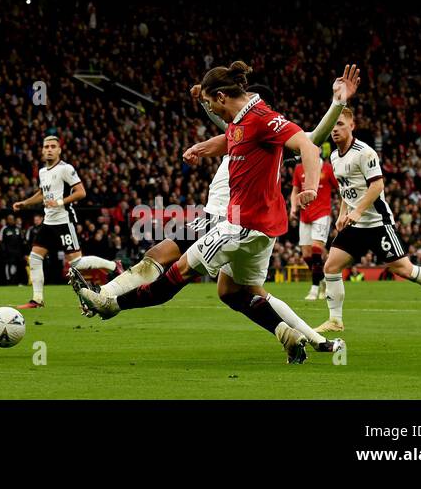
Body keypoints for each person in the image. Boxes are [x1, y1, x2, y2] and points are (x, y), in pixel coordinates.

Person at [74, 61, 347, 364]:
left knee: (179, 271)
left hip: (239, 224)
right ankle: (292, 335)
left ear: (221, 97)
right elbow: (231, 138)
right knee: (232, 292)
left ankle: (112, 304)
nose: (212, 111)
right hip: (261, 230)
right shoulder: (242, 122)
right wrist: (205, 147)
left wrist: (310, 184)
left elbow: (309, 146)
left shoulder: (263, 119)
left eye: (210, 104)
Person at [316, 107, 421, 332]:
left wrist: (357, 211)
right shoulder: (334, 156)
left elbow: (377, 185)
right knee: (331, 266)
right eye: (332, 125)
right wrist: (342, 215)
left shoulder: (365, 152)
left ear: (352, 126)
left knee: (404, 269)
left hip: (378, 223)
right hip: (355, 225)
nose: (335, 129)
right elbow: (345, 190)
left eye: (340, 124)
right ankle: (336, 320)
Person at [11, 136, 87, 308]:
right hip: (48, 222)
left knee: (76, 263)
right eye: (46, 146)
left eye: (53, 146)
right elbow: (42, 193)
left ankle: (113, 266)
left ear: (59, 150)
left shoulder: (65, 169)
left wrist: (59, 202)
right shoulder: (43, 172)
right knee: (35, 257)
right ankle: (37, 299)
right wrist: (25, 203)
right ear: (43, 150)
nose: (49, 149)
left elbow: (81, 192)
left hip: (64, 221)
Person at [290, 149, 338, 300]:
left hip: (322, 214)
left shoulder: (328, 169)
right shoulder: (299, 169)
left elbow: (339, 188)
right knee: (306, 256)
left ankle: (314, 289)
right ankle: (323, 280)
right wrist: (293, 207)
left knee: (317, 249)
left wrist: (343, 210)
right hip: (305, 215)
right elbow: (295, 190)